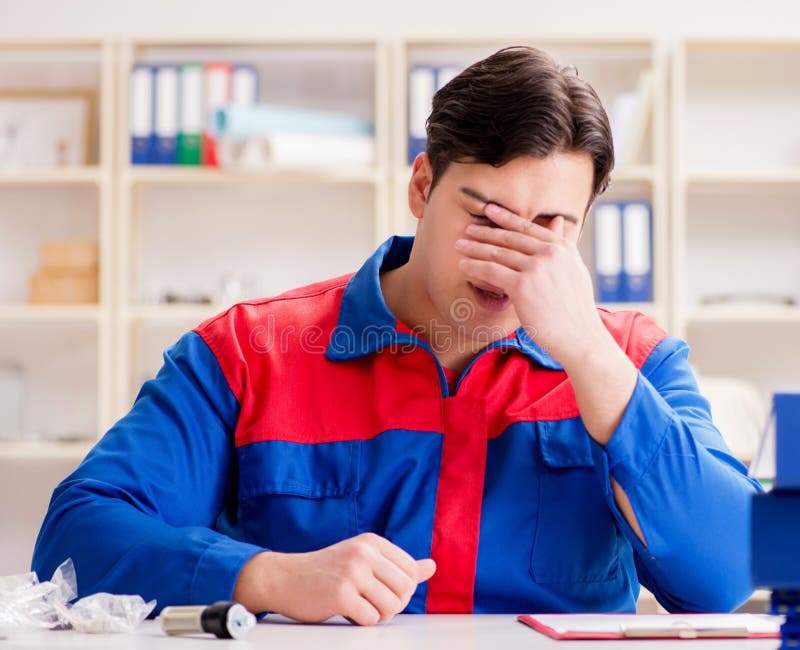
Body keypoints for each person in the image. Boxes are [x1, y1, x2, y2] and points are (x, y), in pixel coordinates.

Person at [32, 46, 760, 625]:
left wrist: (590, 358)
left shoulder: (634, 361)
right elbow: (74, 539)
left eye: (548, 229)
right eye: (487, 216)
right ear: (421, 186)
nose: (511, 261)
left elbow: (728, 577)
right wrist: (266, 576)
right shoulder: (250, 351)